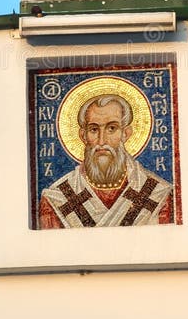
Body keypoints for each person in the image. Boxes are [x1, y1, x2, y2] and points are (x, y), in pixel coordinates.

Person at [39, 93, 173, 229]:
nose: (102, 141)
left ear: (125, 134)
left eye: (112, 128)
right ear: (83, 136)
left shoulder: (158, 194)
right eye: (94, 129)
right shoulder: (57, 198)